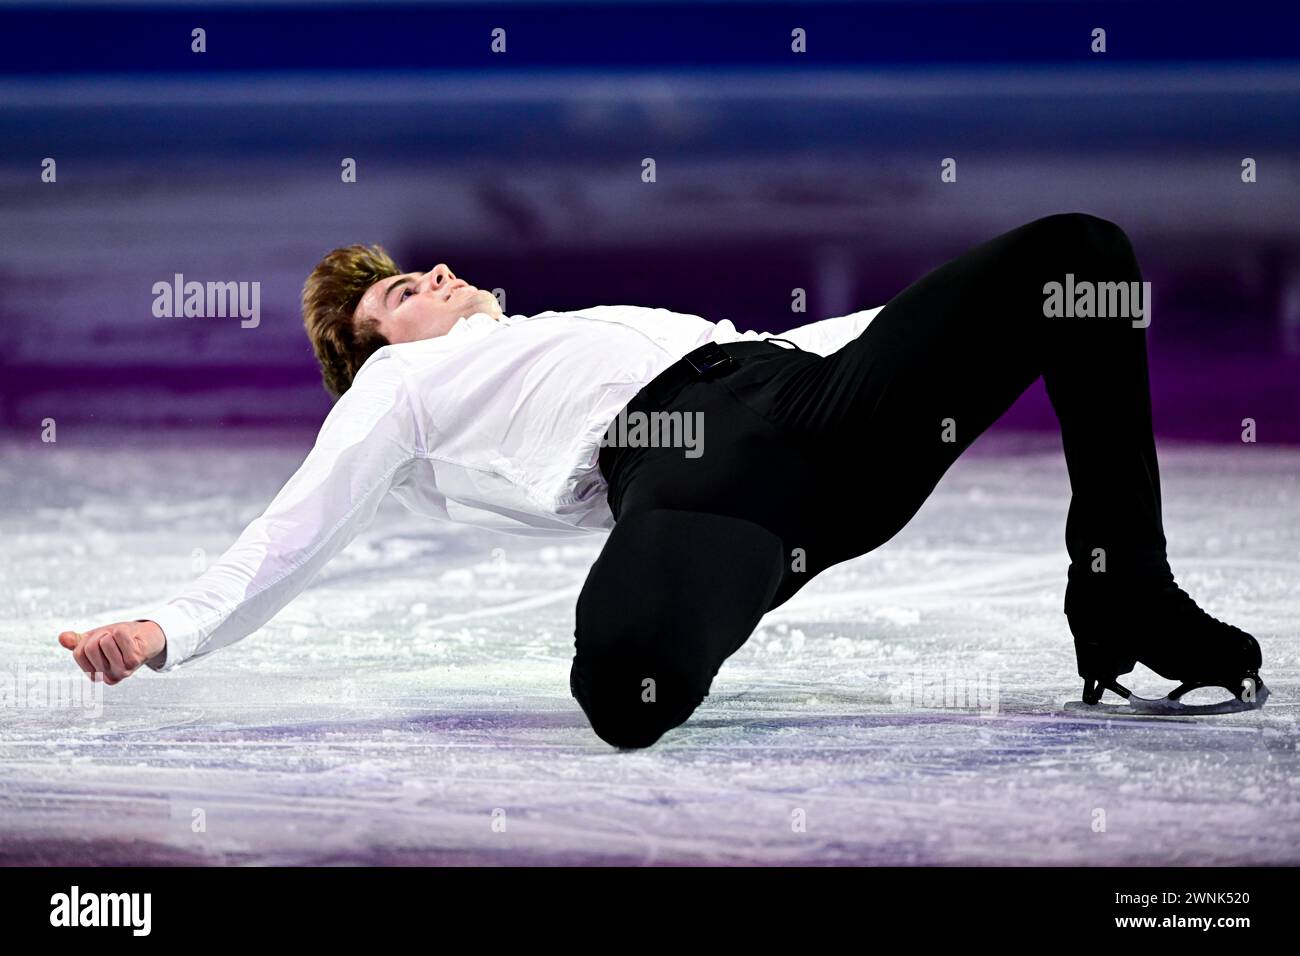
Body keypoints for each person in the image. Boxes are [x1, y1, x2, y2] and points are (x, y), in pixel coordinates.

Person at [57, 213, 1268, 749]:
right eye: (394, 296)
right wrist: (174, 625)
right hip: (702, 479)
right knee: (627, 694)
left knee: (1080, 260)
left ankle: (1122, 597)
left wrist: (921, 333)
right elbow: (301, 524)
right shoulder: (402, 396)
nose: (426, 275)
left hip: (820, 403)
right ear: (376, 351)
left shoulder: (590, 318)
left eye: (413, 269)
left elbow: (804, 347)